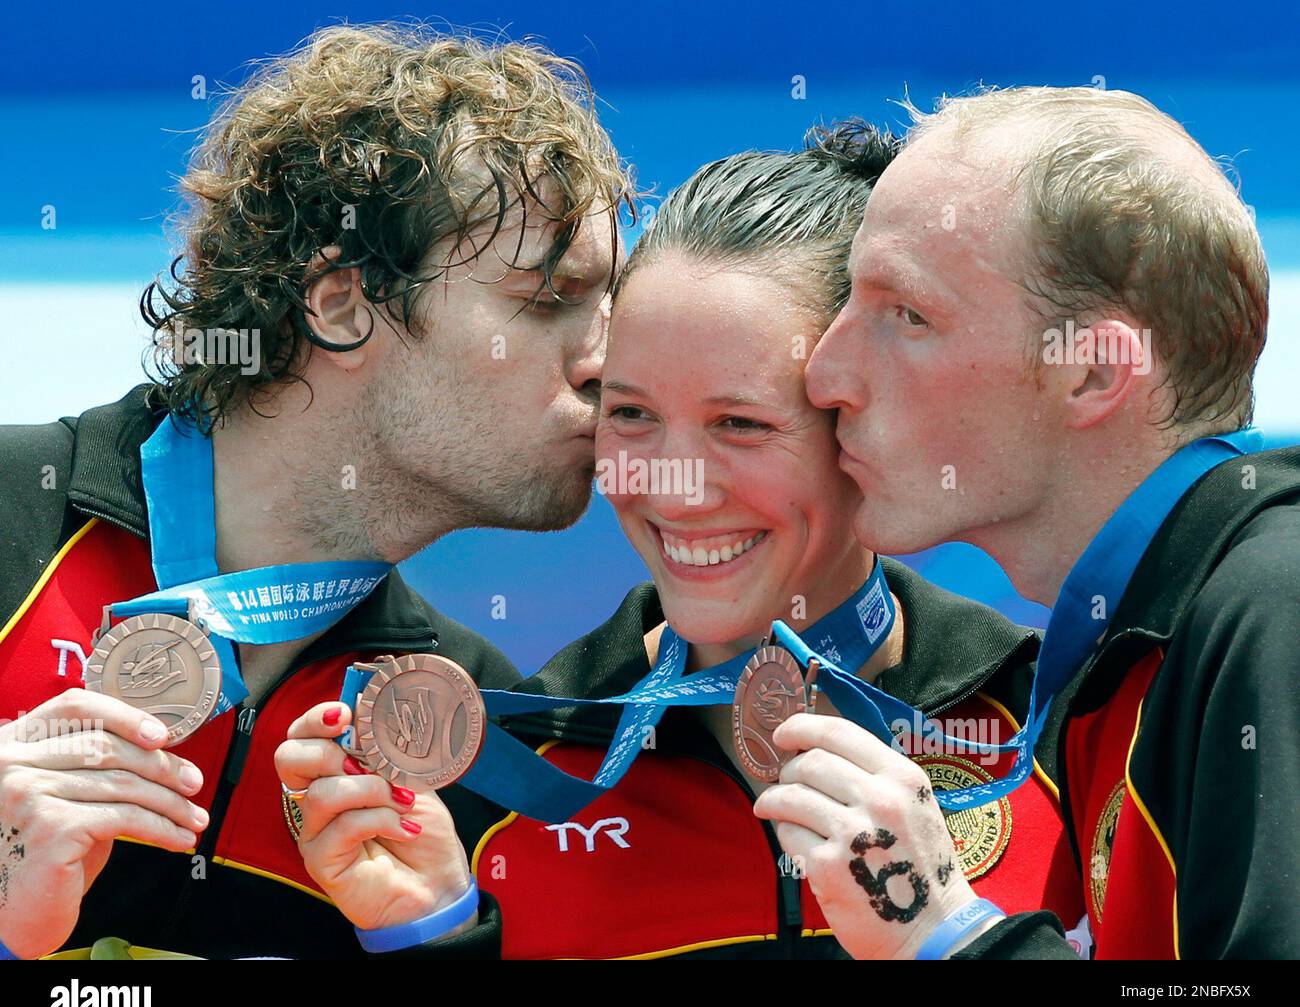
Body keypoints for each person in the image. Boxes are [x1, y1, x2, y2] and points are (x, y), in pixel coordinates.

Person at [280, 122, 1085, 959]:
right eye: (631, 415)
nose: (675, 483)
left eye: (740, 422)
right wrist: (432, 935)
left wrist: (954, 941)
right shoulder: (512, 777)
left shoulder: (1056, 720)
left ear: (861, 422)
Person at [0, 22, 631, 960]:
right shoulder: (15, 522)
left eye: (615, 304)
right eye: (545, 303)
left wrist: (438, 942)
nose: (608, 366)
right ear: (339, 305)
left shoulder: (464, 729)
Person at [793, 86, 1299, 959]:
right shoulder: (1141, 640)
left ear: (1095, 373)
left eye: (907, 314)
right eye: (849, 299)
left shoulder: (1271, 607)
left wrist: (952, 938)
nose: (824, 374)